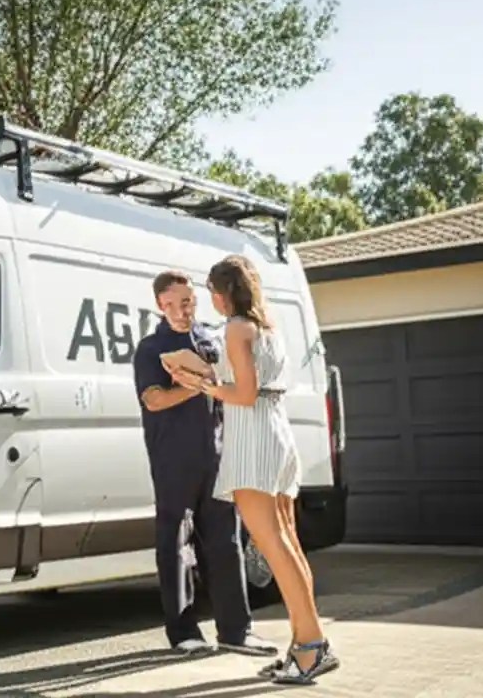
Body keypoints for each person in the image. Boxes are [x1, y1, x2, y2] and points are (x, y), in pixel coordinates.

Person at [174, 255, 339, 685]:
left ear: (222, 291)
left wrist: (203, 385)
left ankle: (311, 647)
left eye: (211, 289)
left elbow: (242, 393)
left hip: (253, 441)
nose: (209, 297)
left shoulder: (234, 328)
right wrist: (208, 377)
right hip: (276, 433)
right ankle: (308, 643)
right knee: (288, 545)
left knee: (275, 548)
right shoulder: (266, 328)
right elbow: (252, 383)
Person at [133, 270, 276, 658]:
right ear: (159, 306)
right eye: (173, 304)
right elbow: (154, 400)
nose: (182, 310)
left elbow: (237, 388)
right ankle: (183, 633)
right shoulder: (150, 349)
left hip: (217, 456)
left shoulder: (214, 339)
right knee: (175, 546)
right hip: (172, 461)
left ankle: (236, 631)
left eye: (188, 302)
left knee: (225, 543)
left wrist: (210, 382)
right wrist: (196, 386)